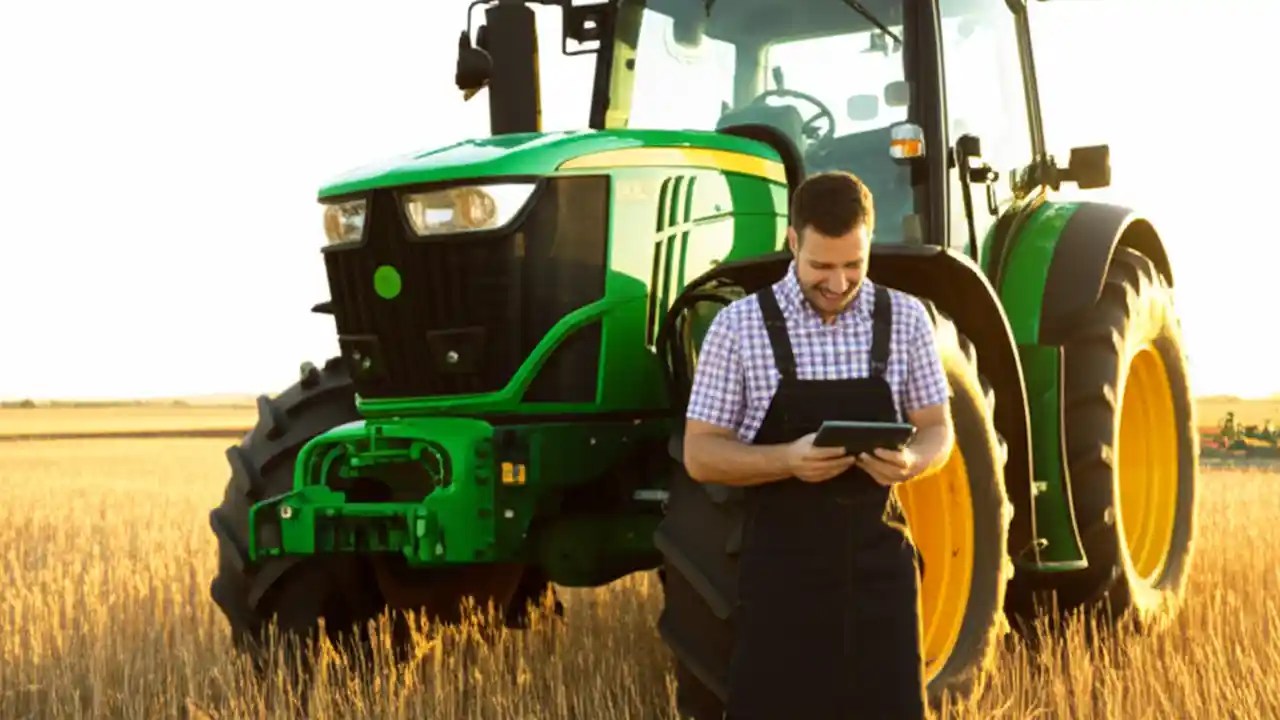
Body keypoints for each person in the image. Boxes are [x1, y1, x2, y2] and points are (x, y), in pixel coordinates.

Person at [682, 171, 955, 720]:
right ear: (792, 242)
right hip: (783, 576)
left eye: (854, 265)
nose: (838, 282)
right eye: (821, 267)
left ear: (870, 244)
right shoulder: (739, 327)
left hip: (882, 570)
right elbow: (700, 454)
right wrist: (787, 459)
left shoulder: (905, 320)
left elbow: (938, 429)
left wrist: (912, 461)